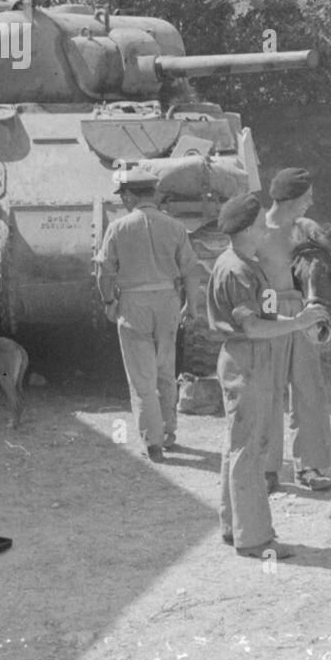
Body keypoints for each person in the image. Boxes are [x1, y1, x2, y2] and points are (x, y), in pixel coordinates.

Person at [206, 192, 329, 559]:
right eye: (260, 224)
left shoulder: (245, 261)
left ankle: (234, 526)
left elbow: (268, 314)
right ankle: (256, 538)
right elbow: (255, 327)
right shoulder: (239, 270)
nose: (266, 229)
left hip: (247, 356)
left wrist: (294, 322)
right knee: (251, 450)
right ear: (245, 229)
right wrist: (301, 322)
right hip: (248, 357)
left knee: (238, 446)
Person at [95, 164, 200, 463]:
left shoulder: (118, 227)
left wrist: (108, 302)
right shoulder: (176, 226)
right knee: (166, 370)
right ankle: (168, 433)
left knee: (143, 379)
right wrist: (191, 305)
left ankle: (152, 442)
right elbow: (191, 270)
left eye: (123, 195)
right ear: (153, 194)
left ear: (129, 196)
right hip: (168, 301)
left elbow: (105, 272)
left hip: (134, 303)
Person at [256, 167, 331, 494]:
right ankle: (268, 467)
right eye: (307, 197)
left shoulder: (307, 229)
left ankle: (311, 465)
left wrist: (318, 311)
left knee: (309, 388)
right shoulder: (256, 229)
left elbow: (327, 267)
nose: (311, 202)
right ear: (291, 197)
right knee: (268, 391)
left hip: (303, 311)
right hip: (269, 311)